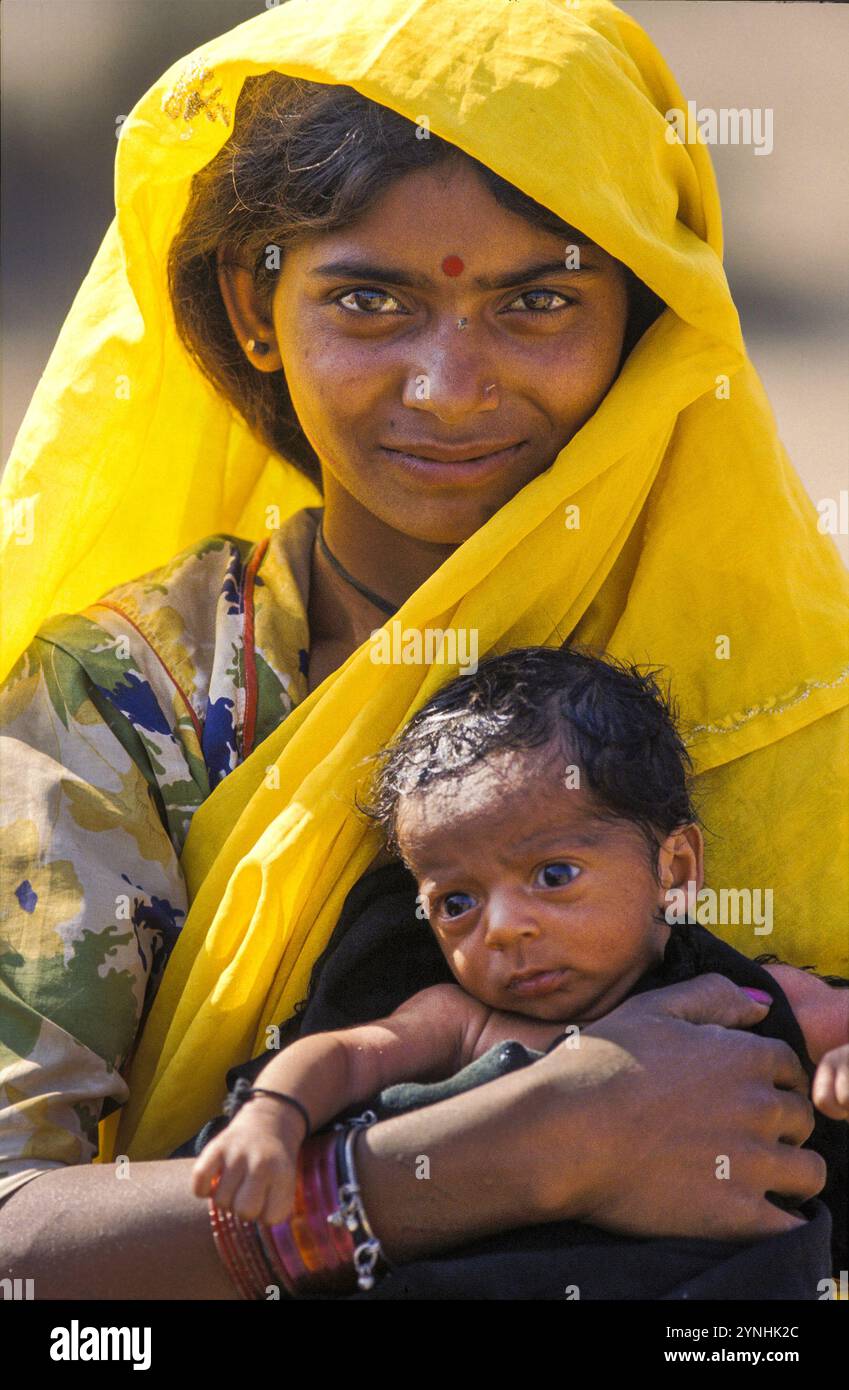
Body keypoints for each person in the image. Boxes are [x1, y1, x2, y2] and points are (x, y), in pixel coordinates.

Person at [1, 0, 847, 1299]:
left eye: (540, 300)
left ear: (647, 319)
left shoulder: (800, 675)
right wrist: (517, 1151)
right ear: (254, 308)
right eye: (369, 299)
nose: (450, 386)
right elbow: (16, 1234)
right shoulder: (131, 700)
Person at [189, 647, 848, 1280]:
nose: (501, 929)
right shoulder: (463, 1022)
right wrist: (272, 1115)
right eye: (456, 902)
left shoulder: (744, 1001)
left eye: (553, 875)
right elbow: (346, 1055)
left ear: (673, 870)